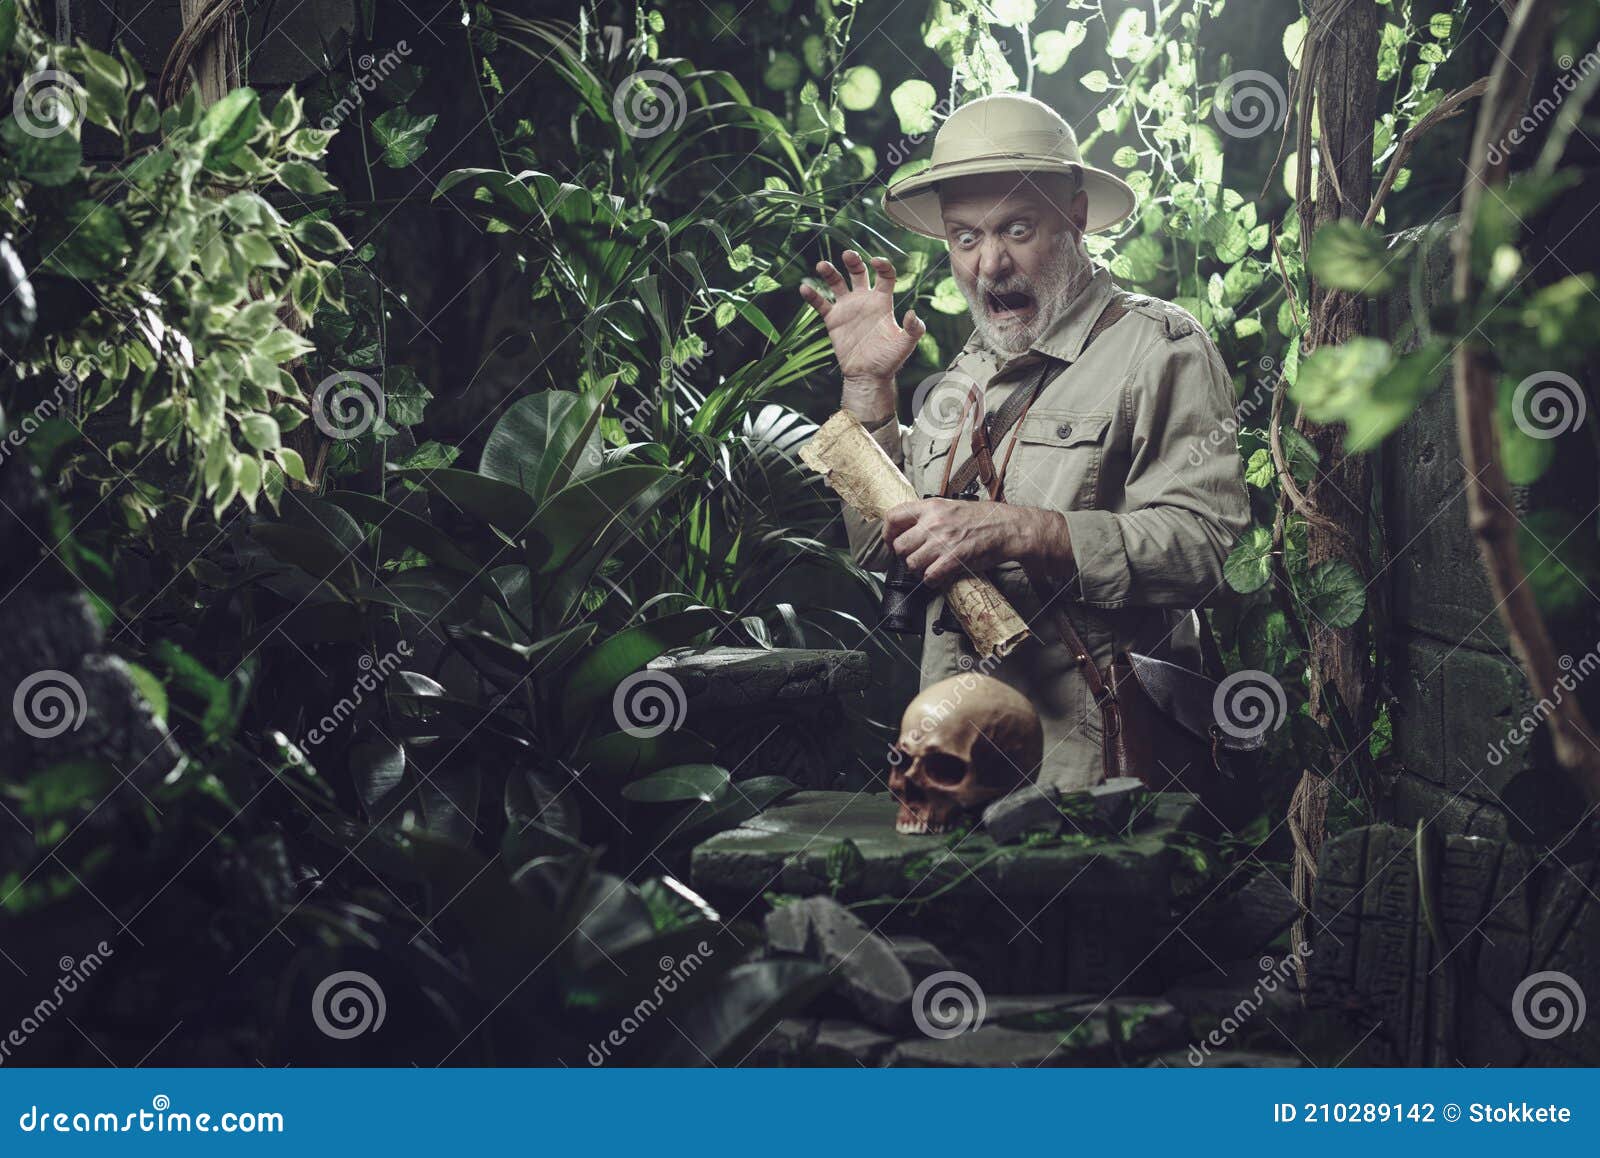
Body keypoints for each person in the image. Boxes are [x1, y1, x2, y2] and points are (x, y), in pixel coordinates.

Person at [798, 92, 1249, 793]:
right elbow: (880, 545)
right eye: (965, 237)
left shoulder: (1160, 349)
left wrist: (1019, 530)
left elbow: (1205, 553)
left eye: (1015, 228)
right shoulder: (964, 374)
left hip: (1095, 781)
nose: (989, 266)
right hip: (959, 773)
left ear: (1074, 217)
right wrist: (866, 390)